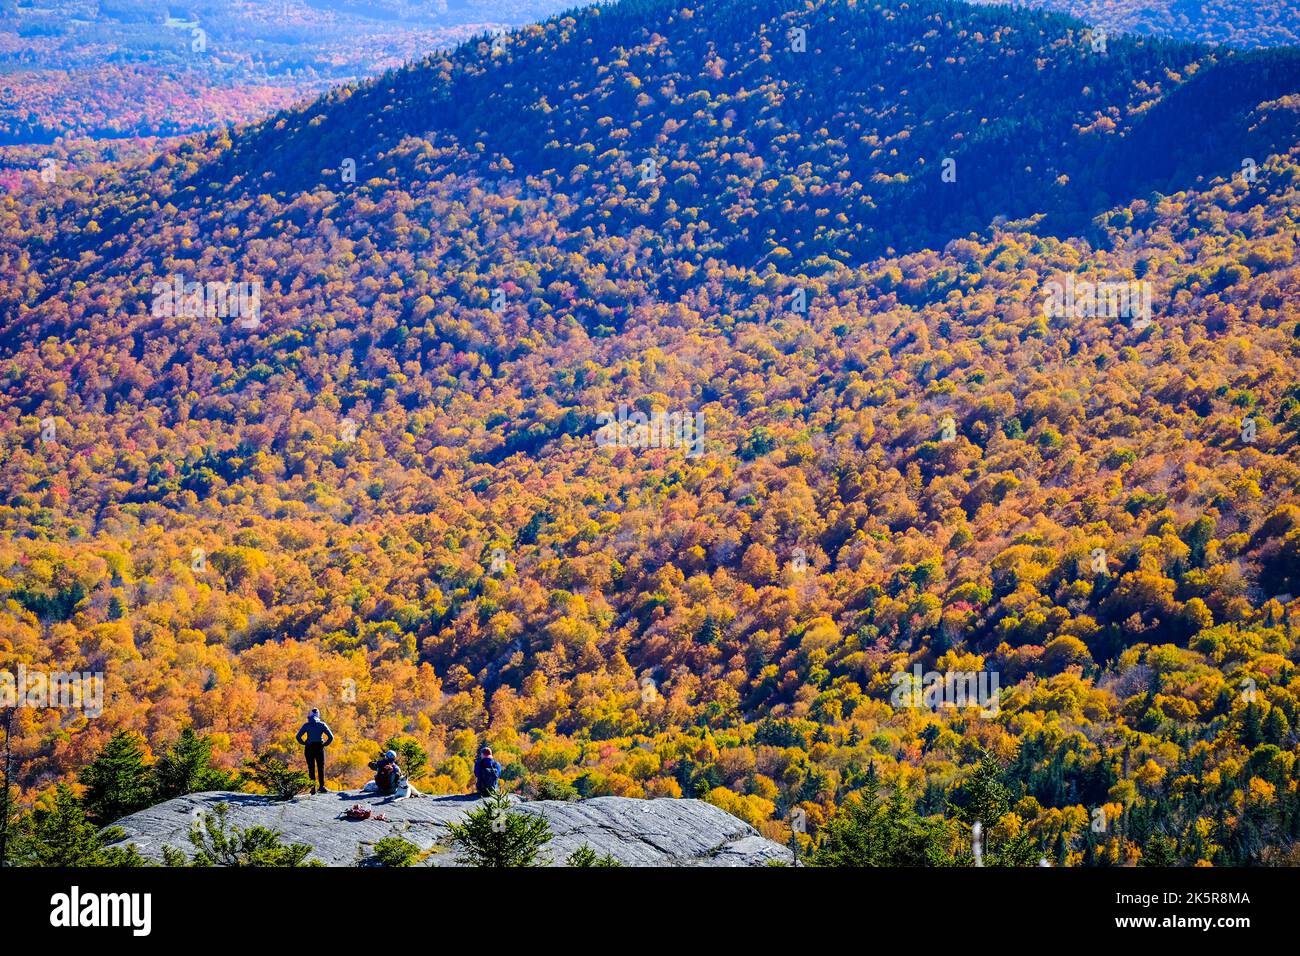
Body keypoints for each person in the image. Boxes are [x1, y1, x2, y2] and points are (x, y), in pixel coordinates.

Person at [295, 708, 334, 794]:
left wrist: (304, 743)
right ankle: (321, 786)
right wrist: (324, 744)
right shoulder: (322, 725)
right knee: (320, 767)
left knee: (311, 768)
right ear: (318, 715)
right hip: (319, 747)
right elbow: (331, 737)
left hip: (309, 747)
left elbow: (298, 737)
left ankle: (313, 788)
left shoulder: (306, 725)